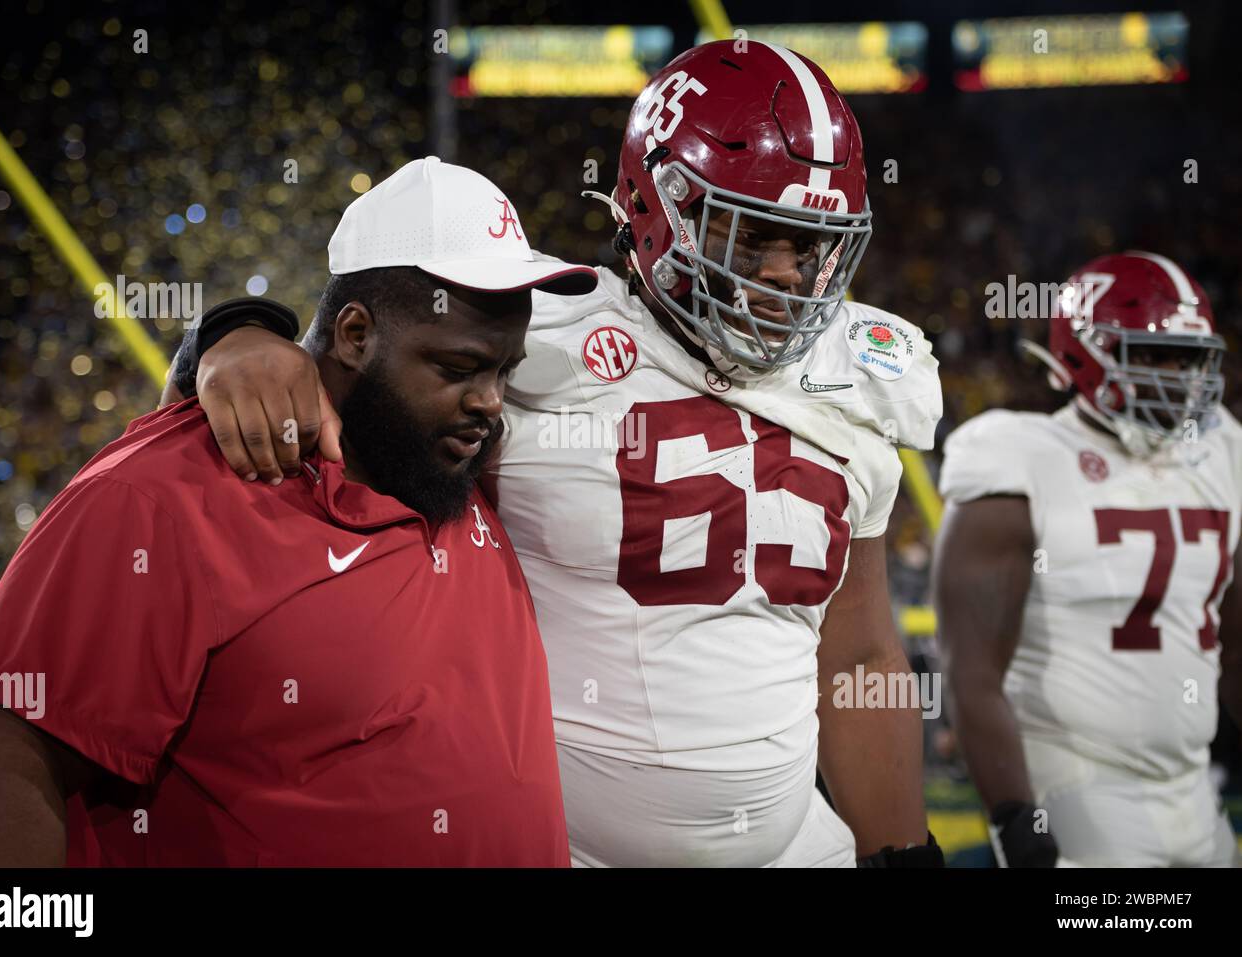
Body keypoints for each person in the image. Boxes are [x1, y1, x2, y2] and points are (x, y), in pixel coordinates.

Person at [170, 41, 945, 867]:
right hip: (555, 845)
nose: (785, 277)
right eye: (753, 236)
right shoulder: (539, 332)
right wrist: (235, 333)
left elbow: (857, 650)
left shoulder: (859, 379)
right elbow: (358, 341)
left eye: (808, 242)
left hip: (799, 849)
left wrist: (901, 848)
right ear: (660, 207)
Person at [0, 157, 598, 866]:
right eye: (458, 369)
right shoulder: (161, 498)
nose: (492, 402)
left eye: (505, 370)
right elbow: (9, 772)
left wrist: (226, 331)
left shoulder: (455, 460)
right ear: (354, 336)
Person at [935, 250, 1242, 867]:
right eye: (1153, 355)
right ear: (1084, 352)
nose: (1179, 378)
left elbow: (1233, 642)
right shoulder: (1019, 455)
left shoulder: (1223, 451)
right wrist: (1015, 815)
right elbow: (971, 671)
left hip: (1193, 784)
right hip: (1077, 784)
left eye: (1190, 358)